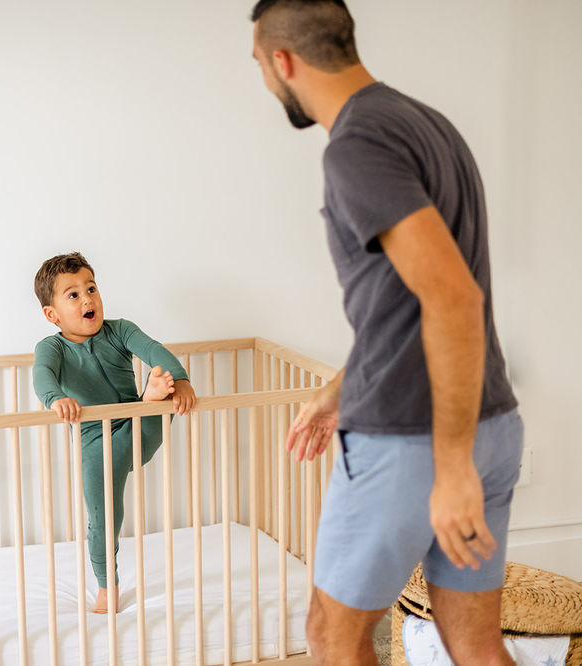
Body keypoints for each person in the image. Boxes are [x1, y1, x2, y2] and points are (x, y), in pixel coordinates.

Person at [249, 1, 522, 663]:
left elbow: (454, 297)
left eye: (259, 64)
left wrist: (450, 466)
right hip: (491, 424)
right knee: (477, 645)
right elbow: (410, 299)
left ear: (283, 60)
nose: (263, 78)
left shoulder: (357, 144)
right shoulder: (426, 124)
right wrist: (345, 386)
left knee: (332, 637)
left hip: (410, 442)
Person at [32, 252, 197, 613]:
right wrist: (55, 398)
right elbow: (42, 374)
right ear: (52, 314)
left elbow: (154, 351)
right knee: (103, 517)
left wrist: (180, 380)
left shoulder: (120, 330)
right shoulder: (52, 347)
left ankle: (152, 398)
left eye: (91, 288)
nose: (87, 298)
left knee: (152, 408)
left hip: (141, 424)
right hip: (95, 440)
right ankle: (107, 586)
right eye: (72, 294)